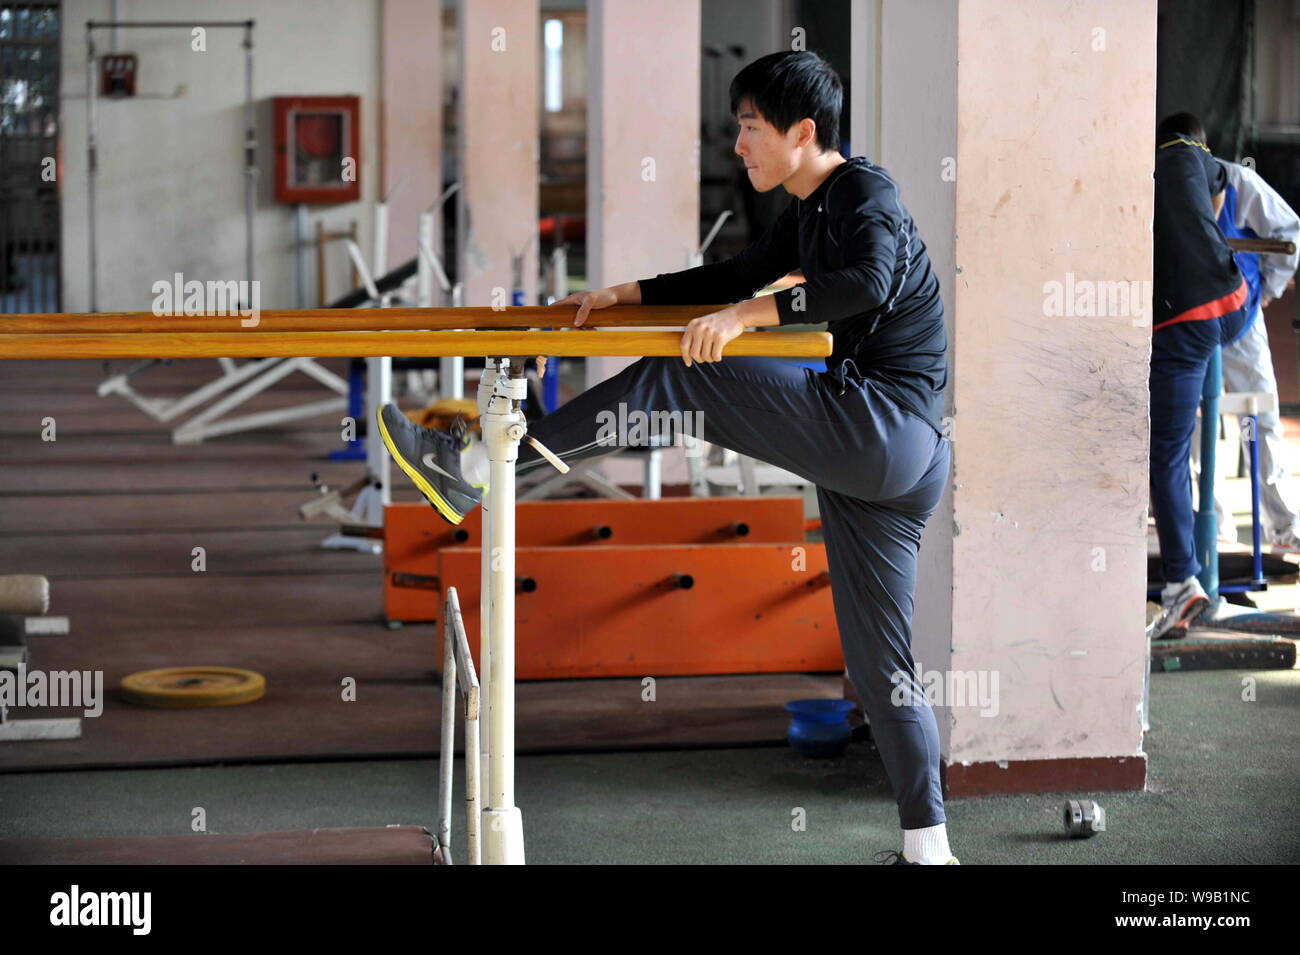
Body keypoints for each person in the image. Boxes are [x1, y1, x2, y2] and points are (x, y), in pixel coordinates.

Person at [377, 51, 957, 864]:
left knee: (679, 373)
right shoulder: (804, 208)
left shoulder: (866, 192)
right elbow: (739, 270)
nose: (738, 146)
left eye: (750, 129)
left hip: (883, 428)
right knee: (881, 664)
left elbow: (868, 279)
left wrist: (748, 317)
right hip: (892, 457)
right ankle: (931, 850)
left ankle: (468, 471)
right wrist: (633, 293)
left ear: (802, 132)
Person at [1148, 113, 1250, 639]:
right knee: (1175, 437)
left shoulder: (1151, 165)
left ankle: (1181, 583)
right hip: (1232, 303)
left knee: (1164, 457)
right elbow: (1210, 211)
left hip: (1184, 320)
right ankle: (1188, 573)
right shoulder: (1203, 160)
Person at [1212, 158, 1300, 550]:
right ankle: (1211, 529)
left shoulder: (1241, 183)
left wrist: (1267, 291)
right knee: (1194, 426)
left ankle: (1280, 528)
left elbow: (1287, 235)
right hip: (1189, 321)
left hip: (1242, 313)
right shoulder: (1169, 186)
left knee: (1259, 419)